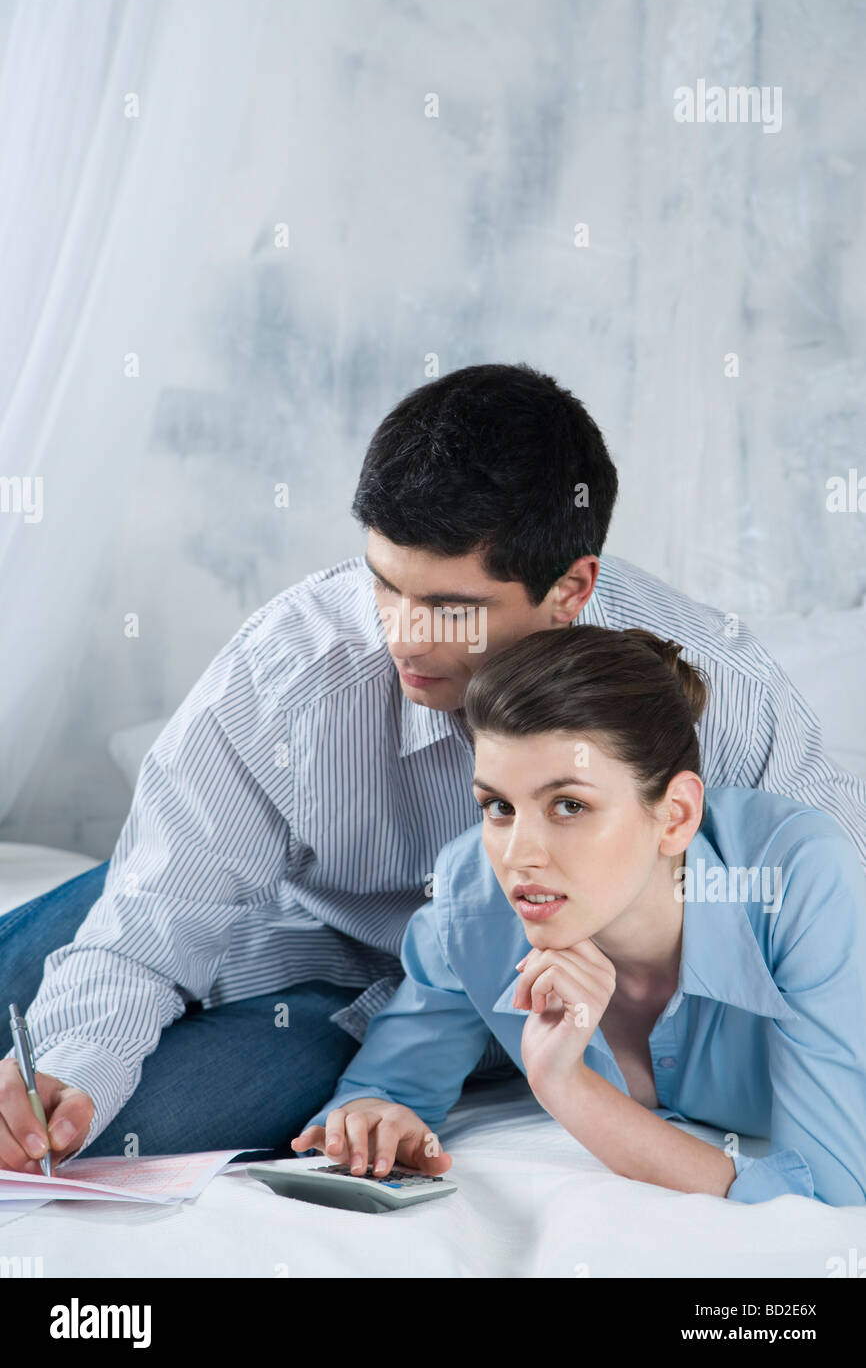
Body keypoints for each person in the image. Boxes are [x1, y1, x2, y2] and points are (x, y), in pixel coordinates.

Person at [1, 364, 864, 1175]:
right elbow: (154, 920)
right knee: (58, 1039)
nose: (404, 639)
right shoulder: (289, 667)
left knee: (120, 1132)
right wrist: (77, 1058)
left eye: (452, 608)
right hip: (245, 906)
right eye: (385, 585)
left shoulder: (718, 694)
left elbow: (828, 904)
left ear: (571, 589)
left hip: (385, 1004)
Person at [293, 626, 866, 1205]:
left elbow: (827, 1200)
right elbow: (385, 1087)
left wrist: (567, 1086)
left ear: (675, 816)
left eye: (569, 806)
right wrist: (371, 1121)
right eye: (498, 806)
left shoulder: (800, 883)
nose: (518, 855)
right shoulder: (472, 897)